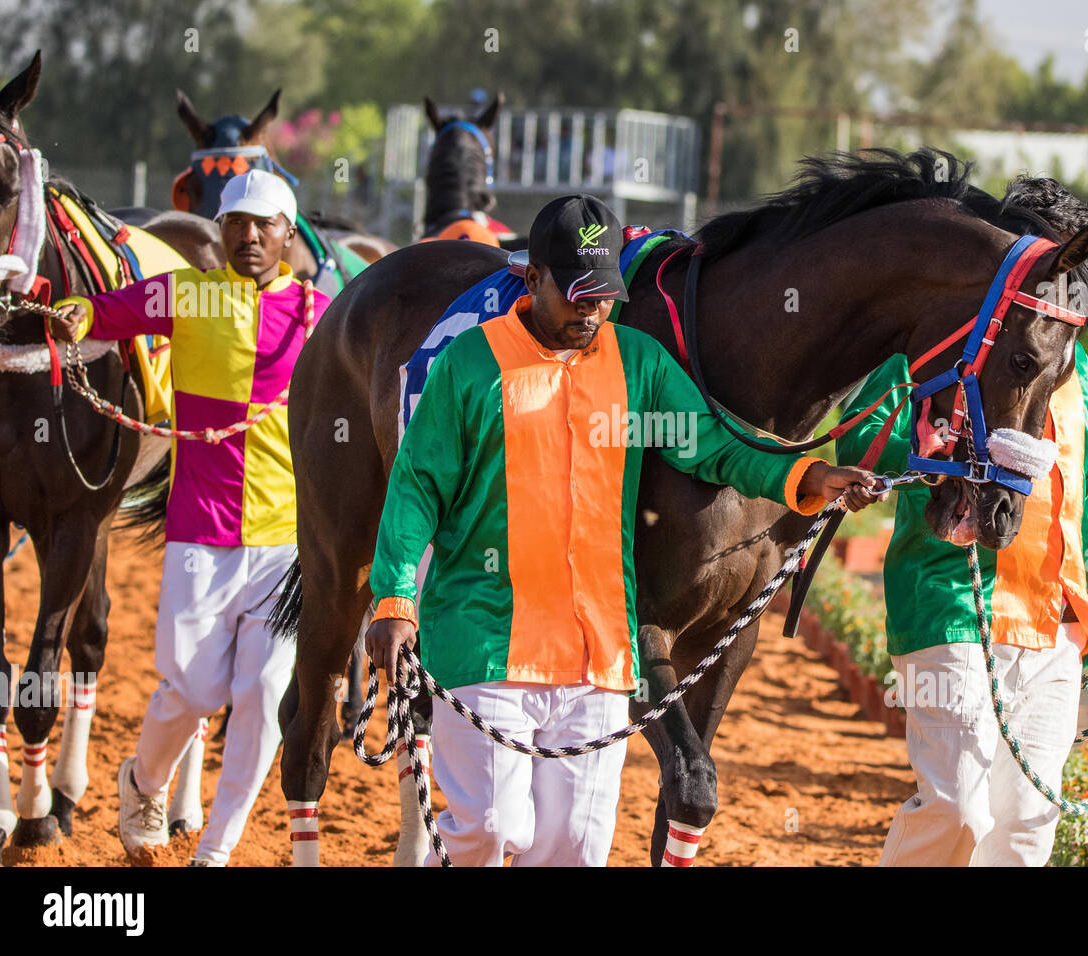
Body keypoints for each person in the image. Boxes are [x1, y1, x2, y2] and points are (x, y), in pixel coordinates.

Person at [364, 194, 884, 866]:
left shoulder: (637, 361)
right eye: (577, 295)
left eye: (604, 296)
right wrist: (395, 599)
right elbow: (415, 491)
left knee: (576, 849)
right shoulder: (470, 364)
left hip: (599, 658)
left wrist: (804, 479)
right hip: (485, 641)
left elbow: (713, 445)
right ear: (531, 278)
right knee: (492, 829)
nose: (592, 311)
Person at [836, 178, 1088, 867]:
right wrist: (930, 430)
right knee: (958, 809)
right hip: (949, 603)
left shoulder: (1071, 365)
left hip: (1051, 629)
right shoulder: (935, 342)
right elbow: (858, 443)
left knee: (1026, 827)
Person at [50, 170, 331, 866]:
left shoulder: (322, 314)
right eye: (235, 223)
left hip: (281, 541)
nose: (248, 235)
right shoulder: (188, 295)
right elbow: (102, 311)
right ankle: (142, 780)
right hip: (200, 529)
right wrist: (74, 316)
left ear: (287, 235)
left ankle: (215, 849)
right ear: (221, 232)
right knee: (193, 688)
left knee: (264, 698)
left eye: (264, 224)